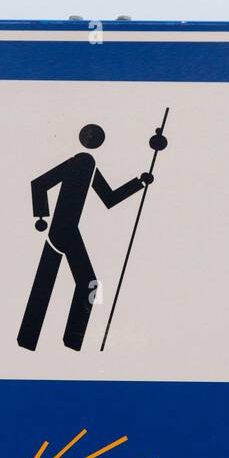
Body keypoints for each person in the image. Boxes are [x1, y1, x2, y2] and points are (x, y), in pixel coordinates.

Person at [17, 123, 167, 352]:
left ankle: (53, 339)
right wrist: (41, 216)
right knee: (76, 282)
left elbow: (108, 198)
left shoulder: (89, 165)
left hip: (67, 230)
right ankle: (64, 340)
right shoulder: (78, 162)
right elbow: (39, 184)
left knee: (57, 282)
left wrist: (139, 182)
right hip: (60, 230)